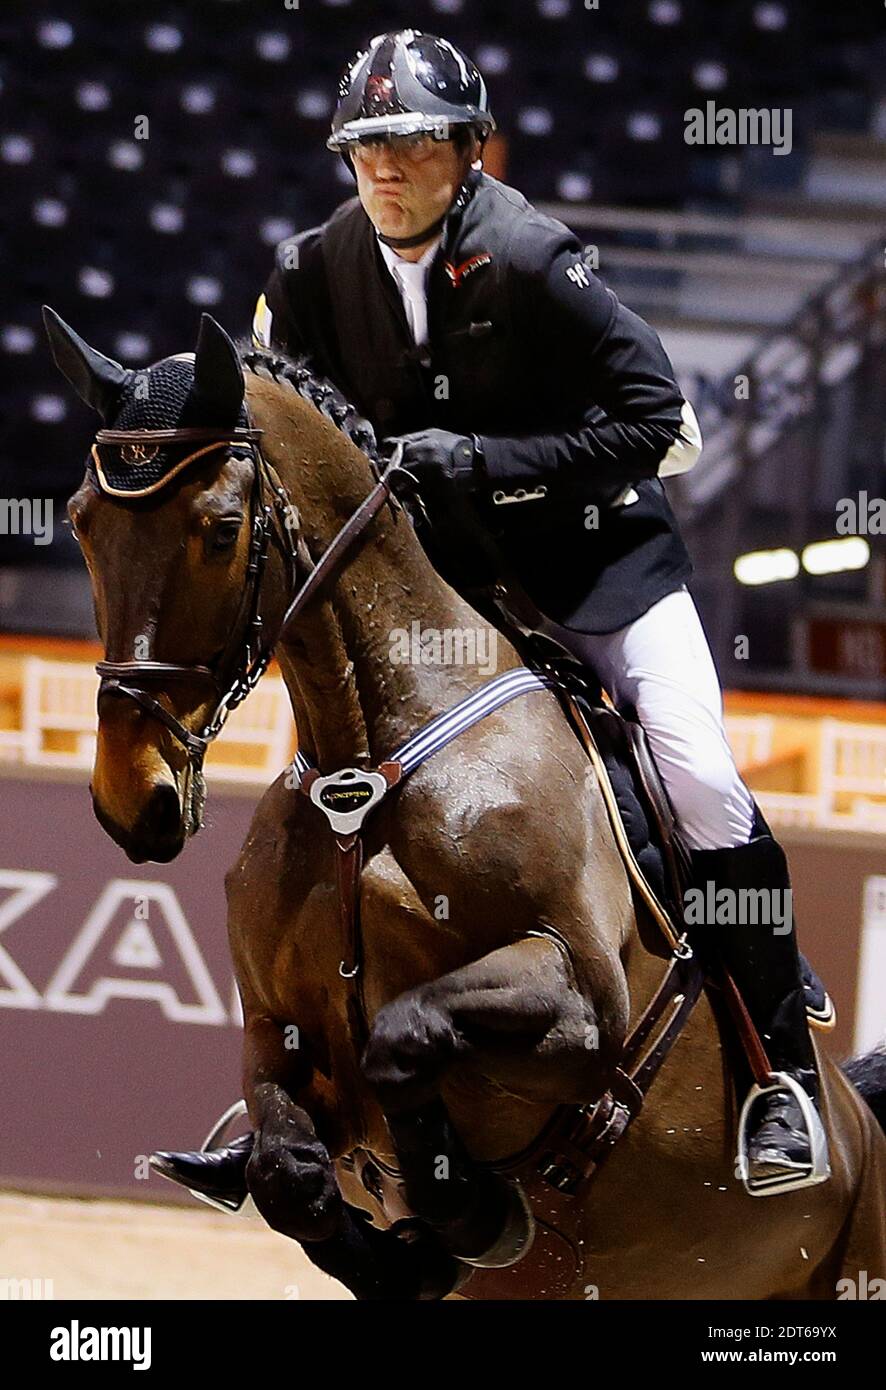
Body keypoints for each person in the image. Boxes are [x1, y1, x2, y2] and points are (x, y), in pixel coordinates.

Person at [163, 28, 830, 1199]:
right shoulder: (309, 270)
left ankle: (783, 1076)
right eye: (366, 145)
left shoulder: (530, 256)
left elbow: (662, 426)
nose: (385, 165)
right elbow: (277, 434)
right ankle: (295, 1087)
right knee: (321, 796)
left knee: (699, 776)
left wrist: (484, 462)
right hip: (453, 600)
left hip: (602, 578)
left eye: (413, 142)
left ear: (468, 151)